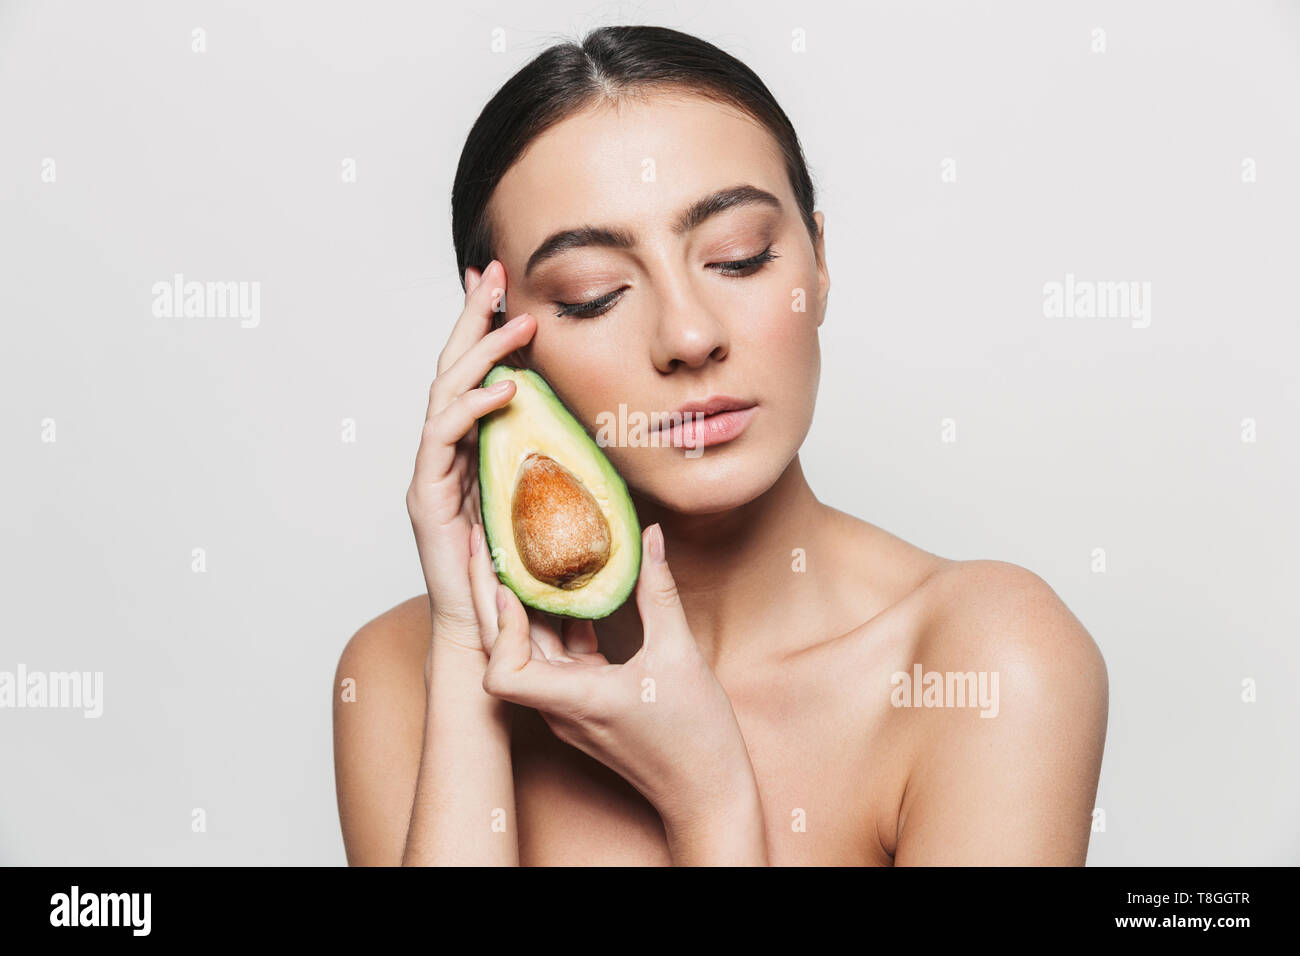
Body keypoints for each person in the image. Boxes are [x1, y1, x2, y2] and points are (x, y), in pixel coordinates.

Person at [333, 24, 1108, 866]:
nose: (690, 335)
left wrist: (709, 800)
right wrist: (463, 651)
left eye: (739, 259)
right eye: (594, 296)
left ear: (817, 263)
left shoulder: (985, 661)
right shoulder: (400, 673)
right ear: (498, 338)